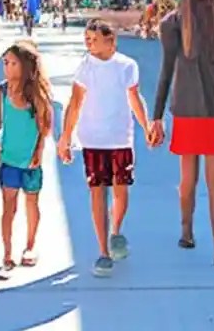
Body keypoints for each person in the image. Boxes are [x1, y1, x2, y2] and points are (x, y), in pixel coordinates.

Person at [149, 0, 214, 270]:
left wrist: (157, 116)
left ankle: (187, 231)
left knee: (188, 179)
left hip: (186, 110)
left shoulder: (172, 25)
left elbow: (165, 73)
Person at [57, 19, 147, 278]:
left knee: (120, 191)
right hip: (93, 139)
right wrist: (66, 137)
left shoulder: (127, 66)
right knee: (97, 192)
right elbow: (74, 104)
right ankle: (103, 252)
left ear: (111, 41)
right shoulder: (85, 68)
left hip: (120, 137)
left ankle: (115, 231)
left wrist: (146, 126)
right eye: (87, 39)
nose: (89, 43)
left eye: (94, 39)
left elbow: (134, 99)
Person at [0, 41, 54, 271]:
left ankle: (30, 245)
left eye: (12, 63)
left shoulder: (35, 93)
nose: (7, 67)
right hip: (8, 159)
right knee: (9, 206)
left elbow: (45, 125)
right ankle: (7, 251)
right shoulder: (2, 91)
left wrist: (38, 151)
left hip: (30, 161)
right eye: (5, 62)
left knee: (31, 201)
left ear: (25, 66)